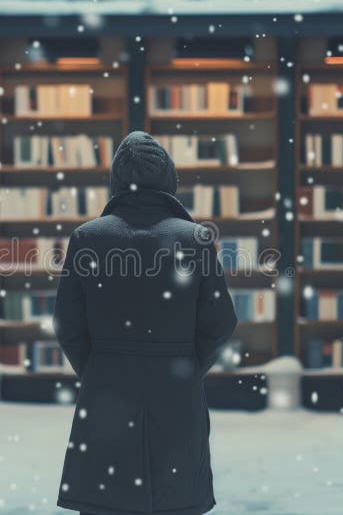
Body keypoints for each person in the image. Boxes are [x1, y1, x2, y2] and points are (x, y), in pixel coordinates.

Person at [54, 131, 238, 515]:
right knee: (175, 501)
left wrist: (98, 369)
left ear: (116, 182)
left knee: (106, 501)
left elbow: (67, 325)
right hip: (176, 394)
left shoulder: (87, 238)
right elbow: (221, 323)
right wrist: (185, 366)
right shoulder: (196, 239)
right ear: (169, 179)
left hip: (106, 392)